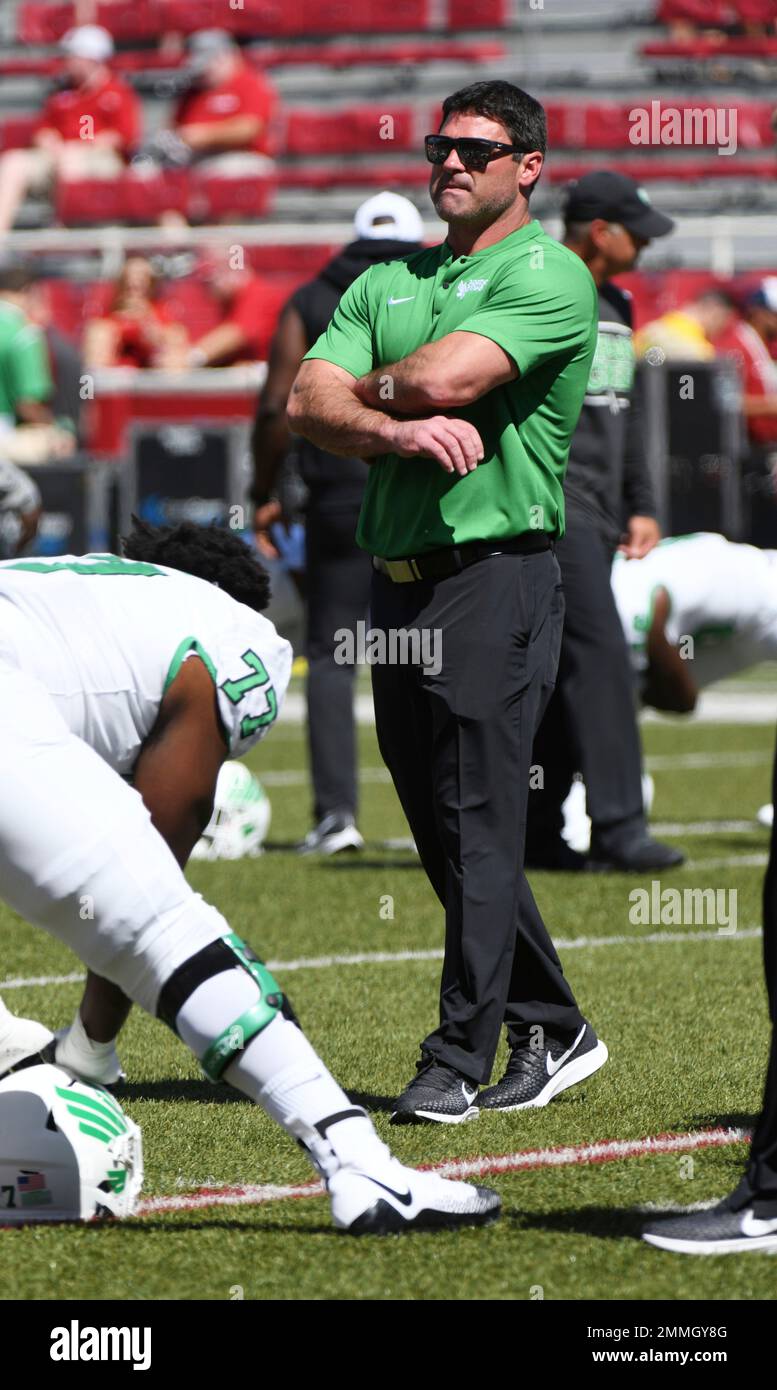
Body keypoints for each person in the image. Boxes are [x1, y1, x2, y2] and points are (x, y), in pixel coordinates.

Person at [0, 520, 499, 1235]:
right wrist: (92, 1047)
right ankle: (359, 1165)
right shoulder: (225, 626)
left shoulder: (75, 590)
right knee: (170, 932)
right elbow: (158, 850)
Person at [288, 79, 608, 1122]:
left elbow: (444, 380)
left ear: (529, 167)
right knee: (441, 827)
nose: (451, 163)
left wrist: (376, 392)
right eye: (441, 146)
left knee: (477, 822)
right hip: (401, 584)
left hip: (494, 575)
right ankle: (556, 1025)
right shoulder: (390, 279)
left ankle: (455, 1060)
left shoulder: (550, 274)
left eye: (477, 149)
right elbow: (305, 400)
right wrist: (386, 424)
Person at [252, 191, 425, 855]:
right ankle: (449, 813)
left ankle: (336, 817)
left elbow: (276, 405)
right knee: (432, 648)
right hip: (427, 486)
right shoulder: (442, 285)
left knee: (332, 655)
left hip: (337, 497)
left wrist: (263, 490)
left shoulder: (311, 297)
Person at [526, 171, 684, 873]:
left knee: (564, 667)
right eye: (635, 235)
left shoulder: (615, 301)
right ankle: (619, 828)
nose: (644, 250)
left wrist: (640, 502)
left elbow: (625, 413)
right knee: (601, 663)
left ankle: (536, 831)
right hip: (552, 501)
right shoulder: (540, 287)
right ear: (598, 231)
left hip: (598, 512)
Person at [0, 26, 141, 238]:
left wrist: (84, 145)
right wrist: (48, 141)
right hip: (57, 156)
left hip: (99, 161)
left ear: (92, 58)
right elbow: (43, 130)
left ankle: (62, 232)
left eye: (73, 56)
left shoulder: (117, 92)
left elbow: (124, 138)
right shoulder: (62, 92)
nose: (67, 62)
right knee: (14, 162)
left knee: (71, 160)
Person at [168, 29, 277, 175]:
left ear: (225, 56)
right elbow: (175, 129)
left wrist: (202, 136)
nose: (204, 73)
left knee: (218, 170)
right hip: (197, 158)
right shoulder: (193, 90)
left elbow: (249, 129)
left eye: (208, 65)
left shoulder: (251, 83)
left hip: (244, 157)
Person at [0, 266, 74, 465]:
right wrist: (57, 425)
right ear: (29, 292)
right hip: (5, 440)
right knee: (62, 439)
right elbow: (28, 405)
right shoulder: (25, 334)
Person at [82, 256, 189, 370]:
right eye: (128, 278)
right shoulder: (106, 319)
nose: (134, 281)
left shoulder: (162, 314)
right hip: (112, 366)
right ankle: (101, 386)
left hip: (155, 363)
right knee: (99, 335)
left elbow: (176, 342)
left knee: (173, 351)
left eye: (141, 278)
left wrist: (152, 331)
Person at [186, 250, 280, 368]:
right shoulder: (227, 301)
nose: (207, 288)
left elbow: (235, 334)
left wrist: (189, 358)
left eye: (209, 280)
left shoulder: (259, 293)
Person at [634, 287, 737, 362]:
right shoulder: (698, 349)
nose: (721, 330)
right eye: (723, 322)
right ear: (716, 313)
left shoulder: (653, 328)